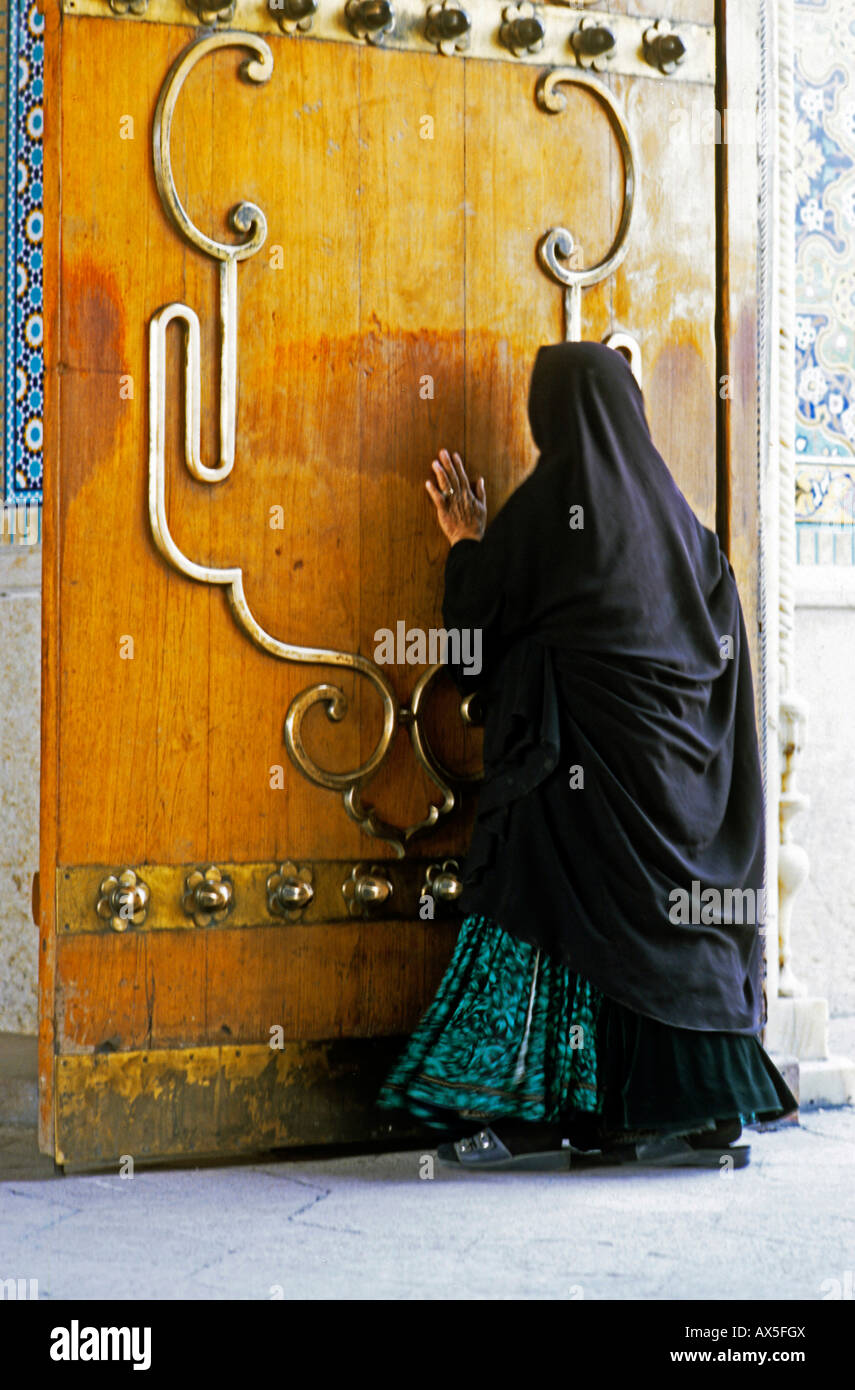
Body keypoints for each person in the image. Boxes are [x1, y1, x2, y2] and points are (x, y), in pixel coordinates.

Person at [377, 340, 797, 1171]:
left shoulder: (550, 512)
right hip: (685, 801)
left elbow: (468, 642)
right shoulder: (687, 530)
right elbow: (723, 660)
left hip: (580, 791)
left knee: (543, 897)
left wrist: (466, 540)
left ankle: (540, 1112)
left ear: (550, 420)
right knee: (664, 928)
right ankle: (703, 1105)